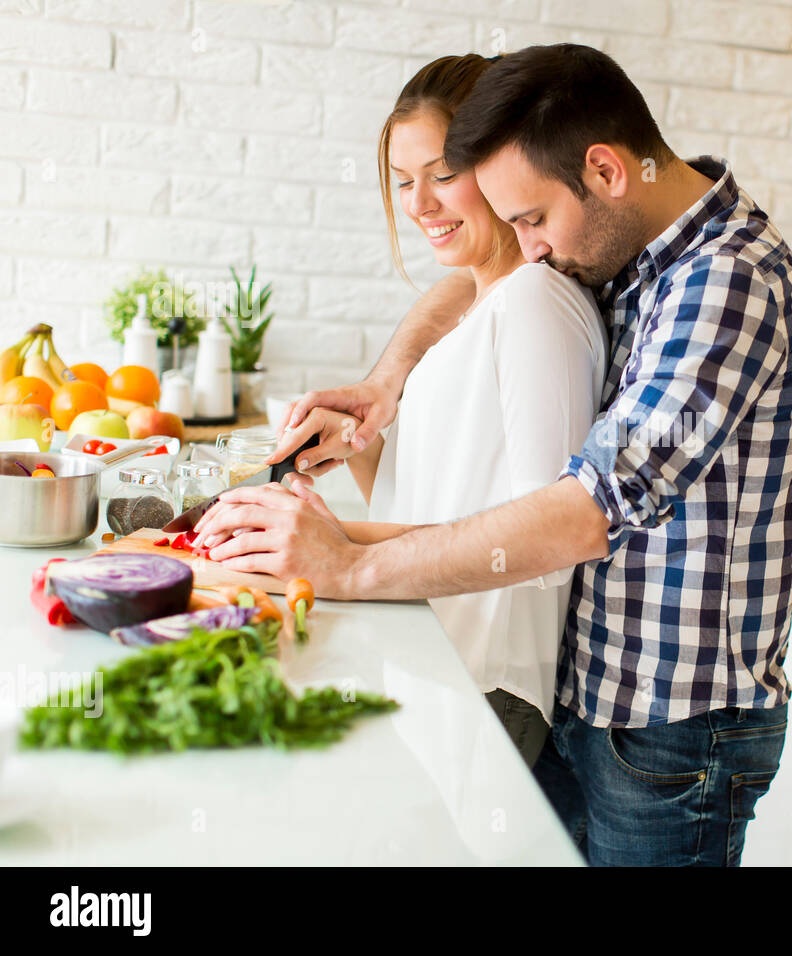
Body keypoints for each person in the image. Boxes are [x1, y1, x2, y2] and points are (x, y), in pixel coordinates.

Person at [194, 43, 792, 867]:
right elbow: (481, 284)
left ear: (604, 171)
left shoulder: (724, 283)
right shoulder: (638, 247)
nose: (529, 245)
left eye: (530, 217)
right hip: (596, 698)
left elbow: (578, 514)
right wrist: (383, 396)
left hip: (672, 722)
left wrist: (343, 562)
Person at [241, 53, 608, 765]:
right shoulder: (479, 309)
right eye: (404, 182)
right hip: (431, 655)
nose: (419, 204)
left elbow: (542, 551)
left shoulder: (536, 305)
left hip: (487, 681)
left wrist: (333, 544)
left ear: (502, 164)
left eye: (442, 174)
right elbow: (428, 502)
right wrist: (360, 446)